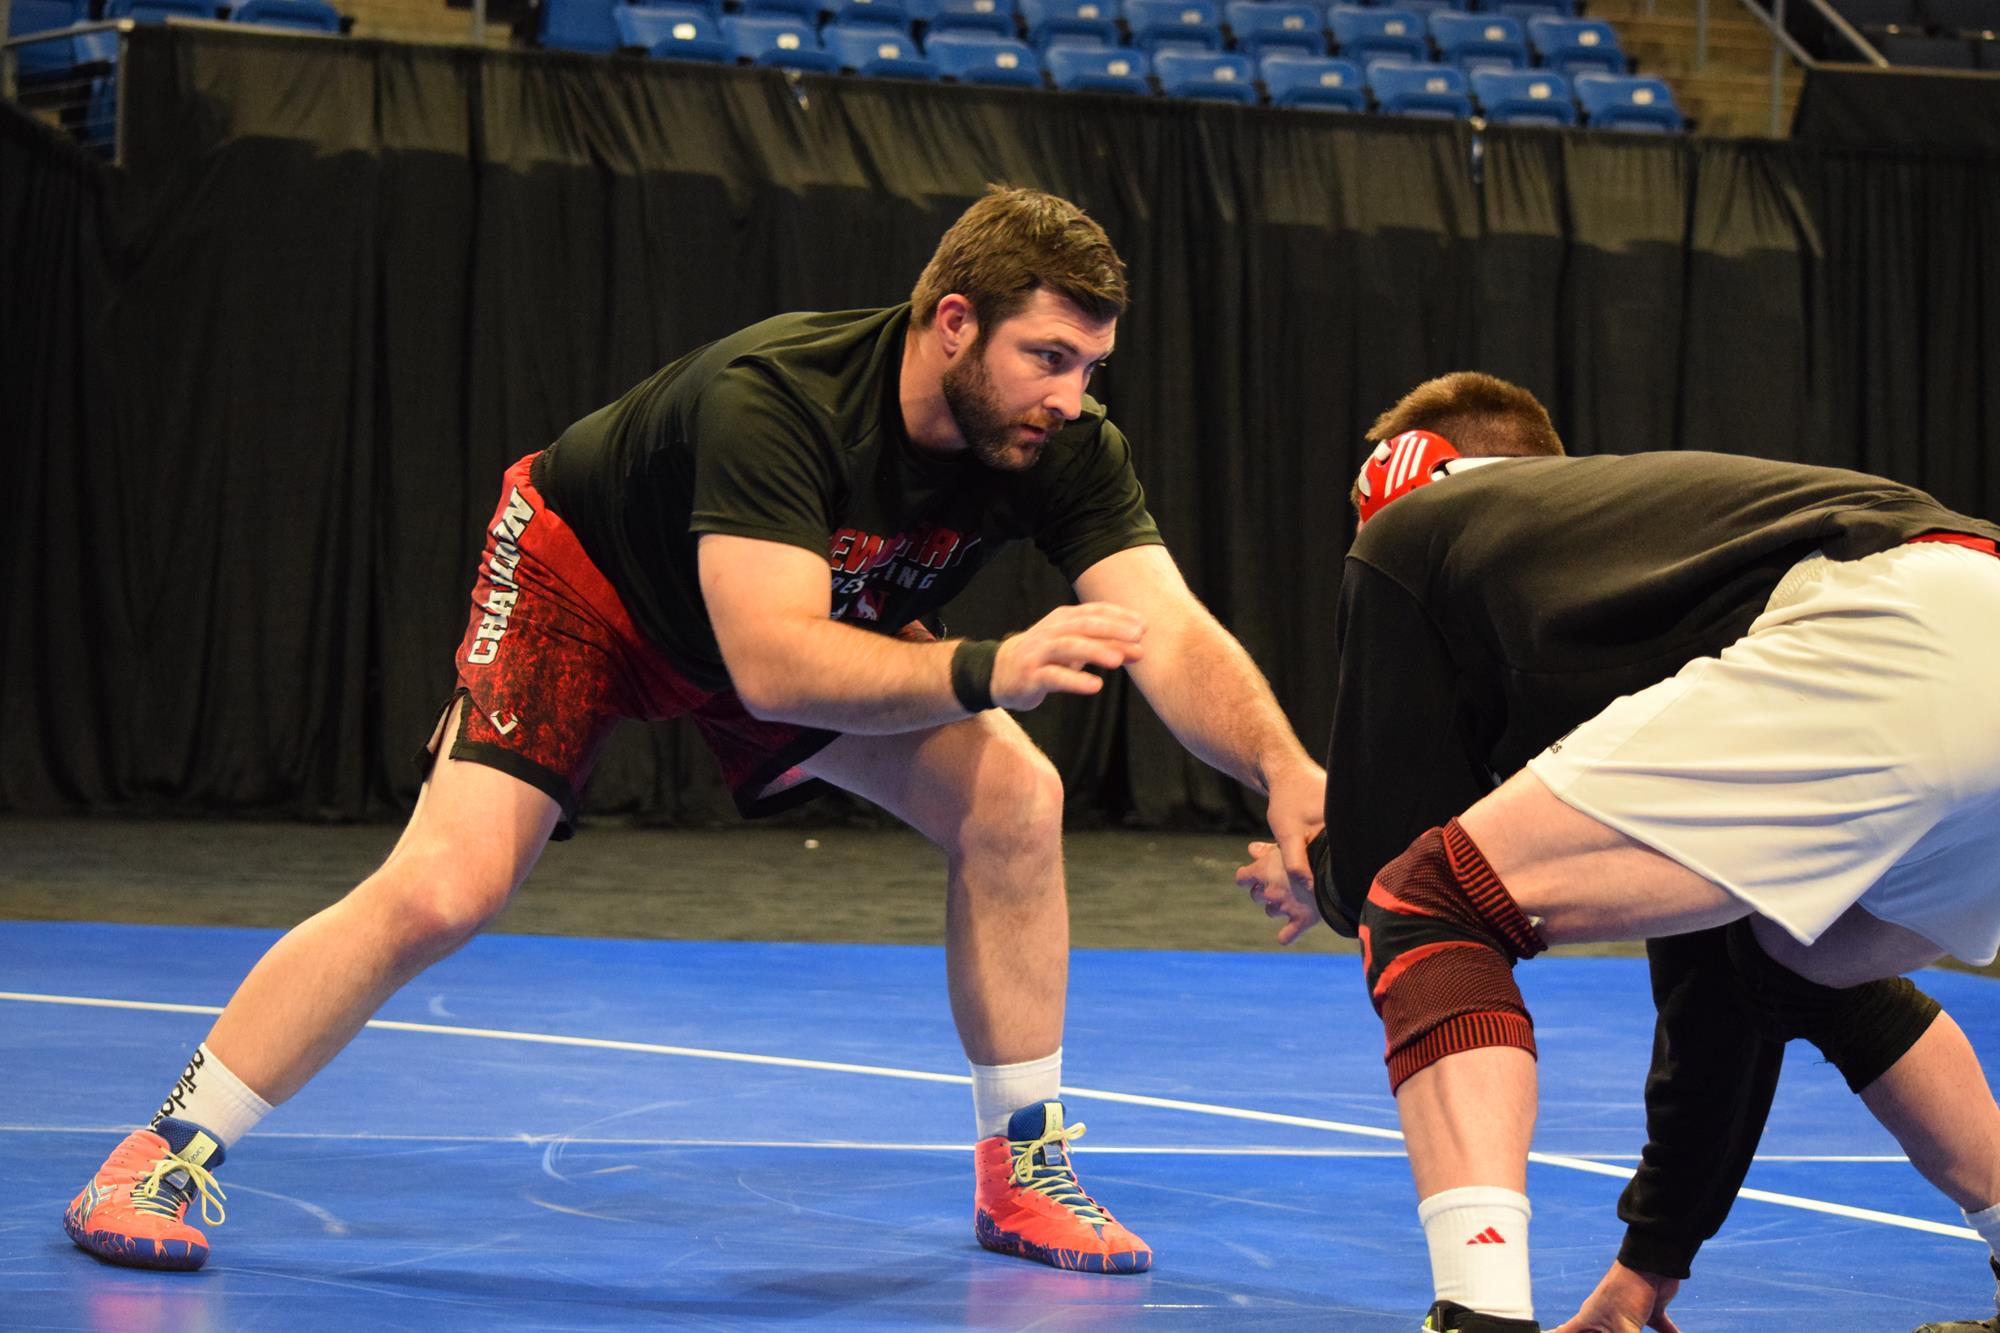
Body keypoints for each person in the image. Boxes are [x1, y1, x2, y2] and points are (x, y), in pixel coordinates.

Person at [64, 186, 1327, 1277]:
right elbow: (773, 666)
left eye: (1090, 367)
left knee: (1014, 800)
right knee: (448, 888)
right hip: (589, 588)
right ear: (953, 320)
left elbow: (1165, 623)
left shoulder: (1058, 443)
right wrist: (991, 664)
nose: (1071, 395)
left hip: (782, 620)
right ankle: (161, 1150)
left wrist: (1286, 770)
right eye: (1047, 356)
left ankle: (1023, 1169)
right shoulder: (776, 396)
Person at [1232, 372, 2000, 1332]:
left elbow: (1394, 862)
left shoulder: (1412, 530)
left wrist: (1325, 867)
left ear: (1398, 480)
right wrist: (1647, 1270)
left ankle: (1483, 1316)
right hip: (1964, 607)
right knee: (1787, 960)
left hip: (1904, 633)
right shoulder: (1653, 570)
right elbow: (1715, 987)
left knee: (1431, 901)